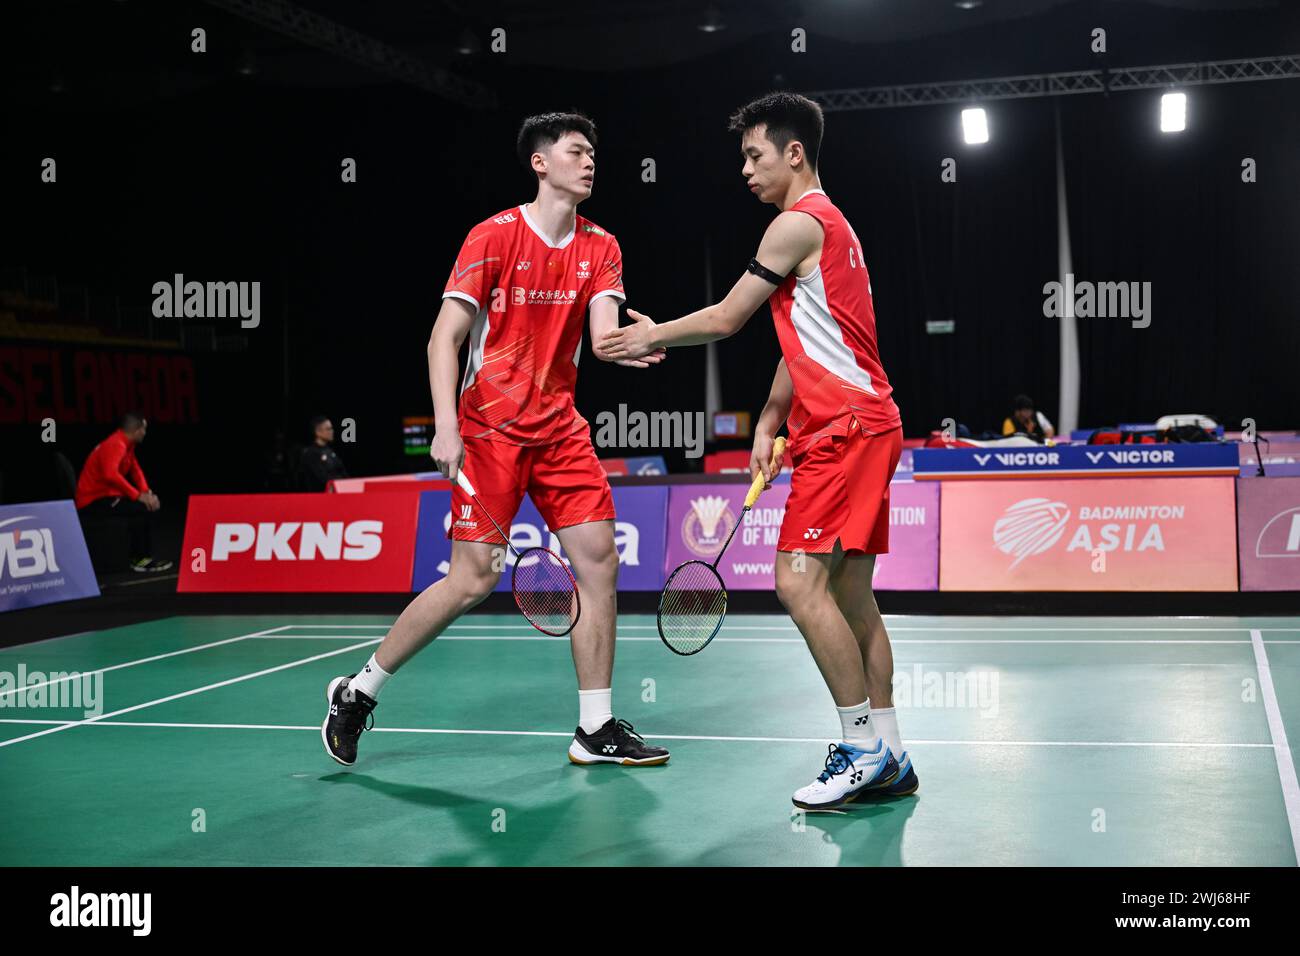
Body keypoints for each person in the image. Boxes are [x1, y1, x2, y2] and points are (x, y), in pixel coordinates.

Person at [321, 112, 670, 769]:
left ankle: (594, 727)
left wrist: (637, 344)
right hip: (489, 428)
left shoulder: (602, 246)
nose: (589, 161)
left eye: (593, 152)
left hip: (560, 430)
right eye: (576, 151)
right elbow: (442, 338)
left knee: (599, 562)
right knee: (471, 579)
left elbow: (600, 339)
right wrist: (445, 426)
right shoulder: (494, 236)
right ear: (541, 163)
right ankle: (360, 692)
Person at [598, 91, 916, 809]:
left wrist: (648, 337)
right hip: (865, 422)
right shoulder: (832, 226)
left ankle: (861, 746)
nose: (744, 169)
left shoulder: (795, 225)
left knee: (797, 583)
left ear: (794, 153)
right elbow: (801, 335)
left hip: (846, 431)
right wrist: (772, 418)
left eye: (754, 155)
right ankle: (891, 751)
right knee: (851, 595)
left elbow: (726, 317)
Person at [75, 411, 173, 573]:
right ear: (136, 430)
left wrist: (146, 492)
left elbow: (135, 469)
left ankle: (141, 557)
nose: (145, 433)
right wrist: (138, 496)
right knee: (139, 509)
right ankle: (140, 560)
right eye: (144, 429)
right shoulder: (116, 444)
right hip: (92, 500)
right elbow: (110, 474)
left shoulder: (127, 444)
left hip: (107, 495)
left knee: (142, 506)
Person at [298, 416, 350, 491]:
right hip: (319, 498)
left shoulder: (330, 452)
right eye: (328, 429)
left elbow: (343, 472)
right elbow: (321, 479)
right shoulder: (310, 453)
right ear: (318, 432)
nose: (332, 431)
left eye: (331, 428)